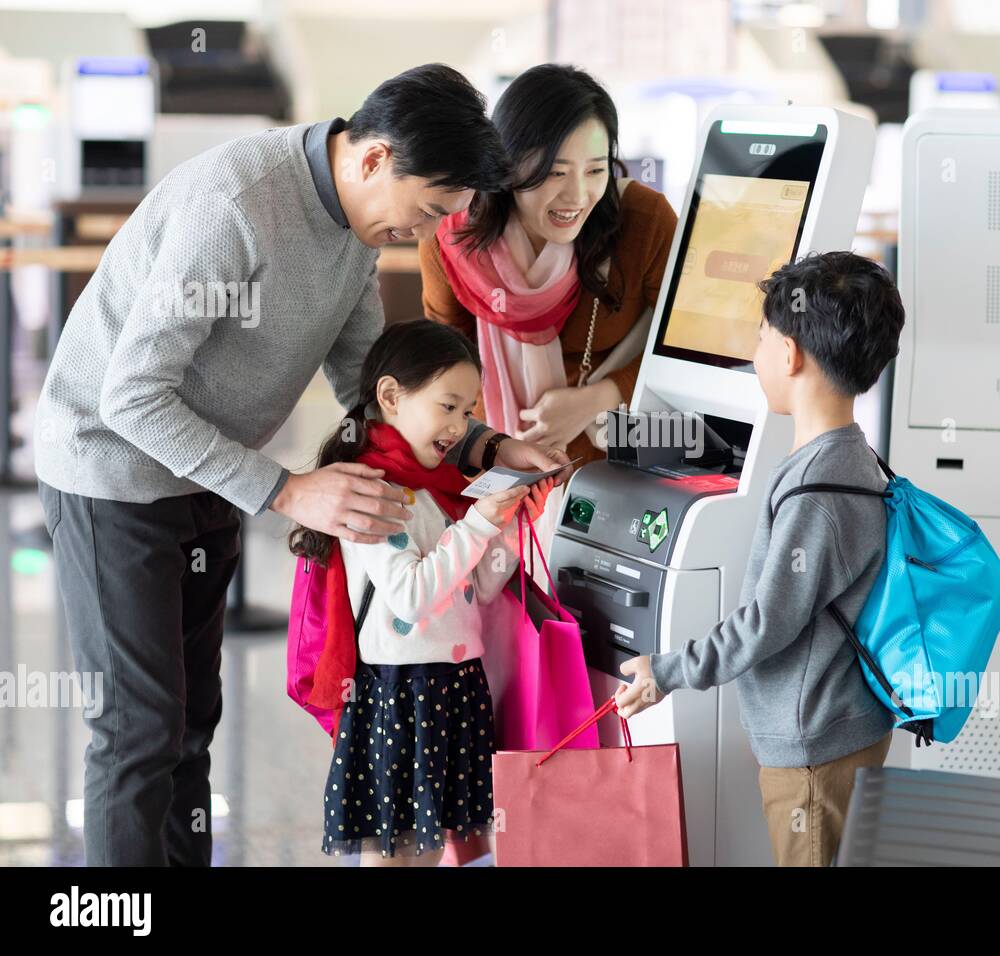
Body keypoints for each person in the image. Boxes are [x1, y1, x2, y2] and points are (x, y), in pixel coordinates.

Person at [33, 64, 562, 867]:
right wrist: (284, 490)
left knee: (190, 723)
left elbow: (369, 388)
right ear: (376, 159)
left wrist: (483, 448)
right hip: (114, 472)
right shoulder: (237, 208)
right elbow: (131, 398)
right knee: (137, 730)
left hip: (208, 471)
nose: (424, 234)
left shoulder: (354, 232)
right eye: (426, 211)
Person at [614, 251, 908, 867]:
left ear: (791, 354)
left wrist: (667, 672)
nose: (755, 352)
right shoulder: (843, 460)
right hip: (828, 729)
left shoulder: (818, 493)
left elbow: (768, 621)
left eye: (760, 336)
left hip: (812, 750)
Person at [292, 320, 554, 866]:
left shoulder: (436, 491)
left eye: (469, 410)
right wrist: (480, 524)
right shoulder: (373, 492)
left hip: (454, 688)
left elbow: (476, 589)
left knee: (431, 855)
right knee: (394, 855)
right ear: (390, 397)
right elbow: (413, 595)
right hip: (398, 693)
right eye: (449, 406)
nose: (462, 427)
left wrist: (506, 525)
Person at [420, 63, 678, 468]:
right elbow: (445, 369)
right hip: (496, 464)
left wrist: (601, 396)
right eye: (555, 172)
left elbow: (687, 347)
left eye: (595, 170)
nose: (577, 195)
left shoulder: (642, 220)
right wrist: (489, 450)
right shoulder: (453, 239)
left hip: (614, 469)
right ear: (509, 162)